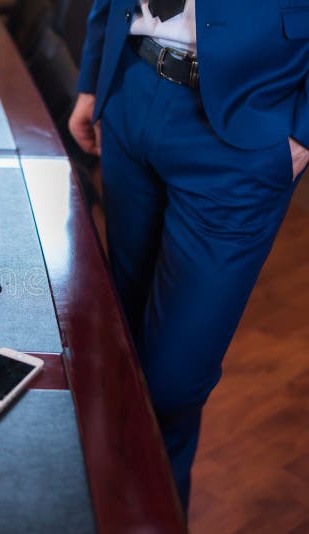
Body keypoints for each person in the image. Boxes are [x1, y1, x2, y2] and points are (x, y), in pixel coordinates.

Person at [68, 0, 309, 511]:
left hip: (247, 128)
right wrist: (93, 78)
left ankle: (148, 514)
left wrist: (303, 132)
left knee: (173, 383)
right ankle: (117, 511)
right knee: (123, 347)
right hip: (131, 83)